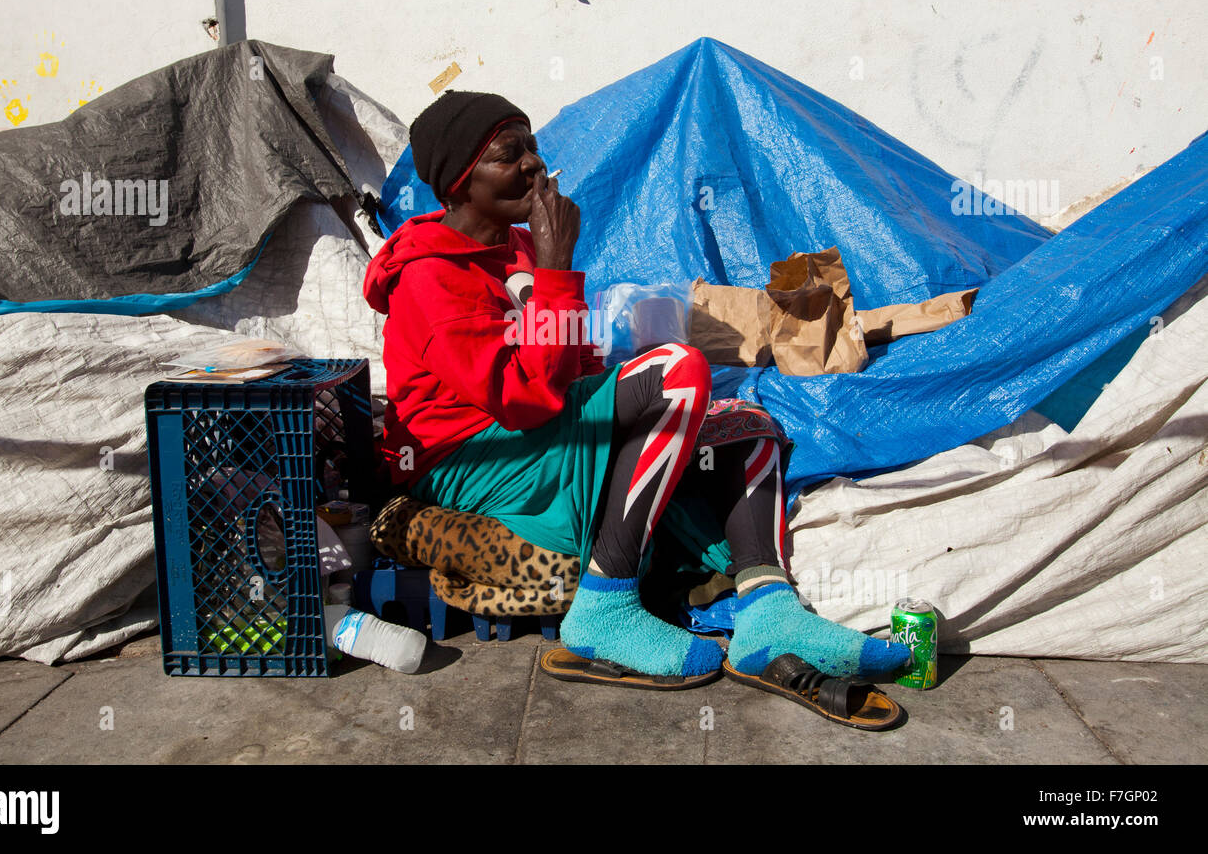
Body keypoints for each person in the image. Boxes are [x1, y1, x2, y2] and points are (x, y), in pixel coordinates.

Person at [362, 90, 910, 700]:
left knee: (745, 424)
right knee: (677, 370)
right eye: (507, 155)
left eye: (533, 147)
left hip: (540, 434)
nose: (534, 165)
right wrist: (556, 267)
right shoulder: (430, 277)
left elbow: (569, 362)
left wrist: (617, 392)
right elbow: (524, 397)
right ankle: (605, 607)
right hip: (475, 458)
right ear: (459, 182)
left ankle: (768, 612)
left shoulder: (515, 248)